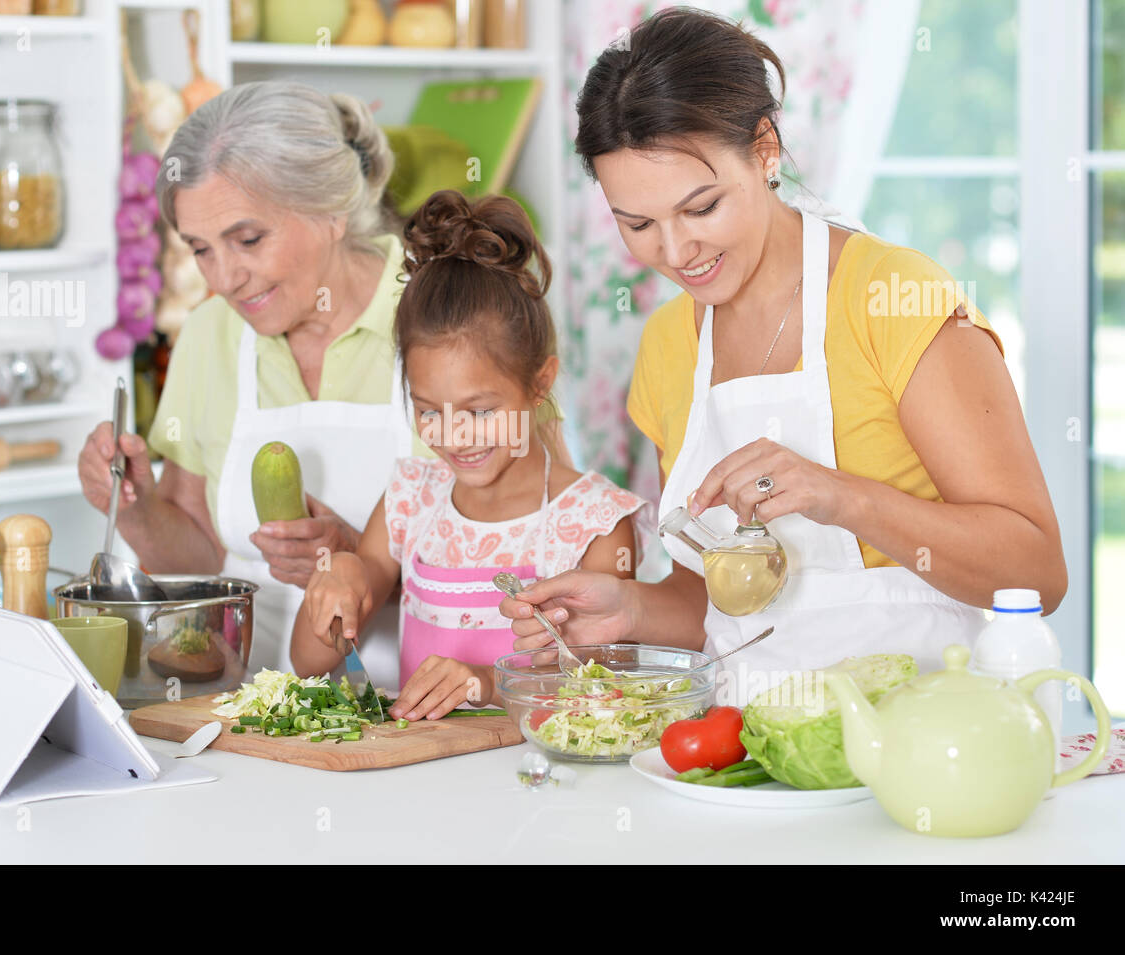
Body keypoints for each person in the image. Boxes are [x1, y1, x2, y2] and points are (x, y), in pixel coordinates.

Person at [498, 8, 1067, 706]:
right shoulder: (667, 349)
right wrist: (630, 609)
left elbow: (1037, 572)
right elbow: (717, 599)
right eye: (637, 224)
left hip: (923, 740)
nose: (676, 254)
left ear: (764, 148)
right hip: (748, 744)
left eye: (701, 207)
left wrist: (842, 496)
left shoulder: (892, 295)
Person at [78, 82, 567, 685]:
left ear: (332, 211)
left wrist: (364, 559)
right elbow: (202, 556)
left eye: (249, 239)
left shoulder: (451, 317)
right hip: (252, 704)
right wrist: (132, 504)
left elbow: (545, 562)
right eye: (200, 249)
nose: (225, 277)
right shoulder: (210, 334)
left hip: (427, 706)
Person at [292, 191, 652, 721]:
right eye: (429, 410)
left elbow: (602, 684)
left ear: (539, 384)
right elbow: (309, 661)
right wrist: (339, 574)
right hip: (425, 783)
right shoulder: (410, 499)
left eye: (480, 411)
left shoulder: (594, 524)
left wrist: (487, 684)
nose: (454, 436)